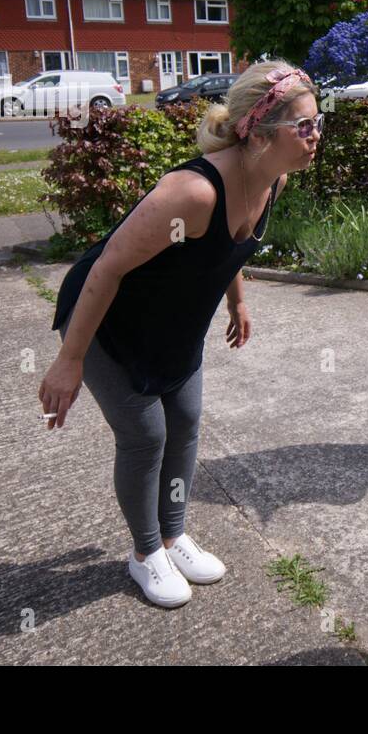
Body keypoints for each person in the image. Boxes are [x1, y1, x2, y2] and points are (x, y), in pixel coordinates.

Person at [38, 61, 322, 608]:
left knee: (186, 425)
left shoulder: (271, 179)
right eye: (304, 126)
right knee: (146, 437)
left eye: (318, 124)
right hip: (109, 327)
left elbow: (232, 242)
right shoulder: (191, 193)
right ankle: (145, 554)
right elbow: (105, 270)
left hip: (175, 330)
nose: (316, 138)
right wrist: (68, 361)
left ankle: (173, 536)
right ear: (260, 134)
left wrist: (237, 300)